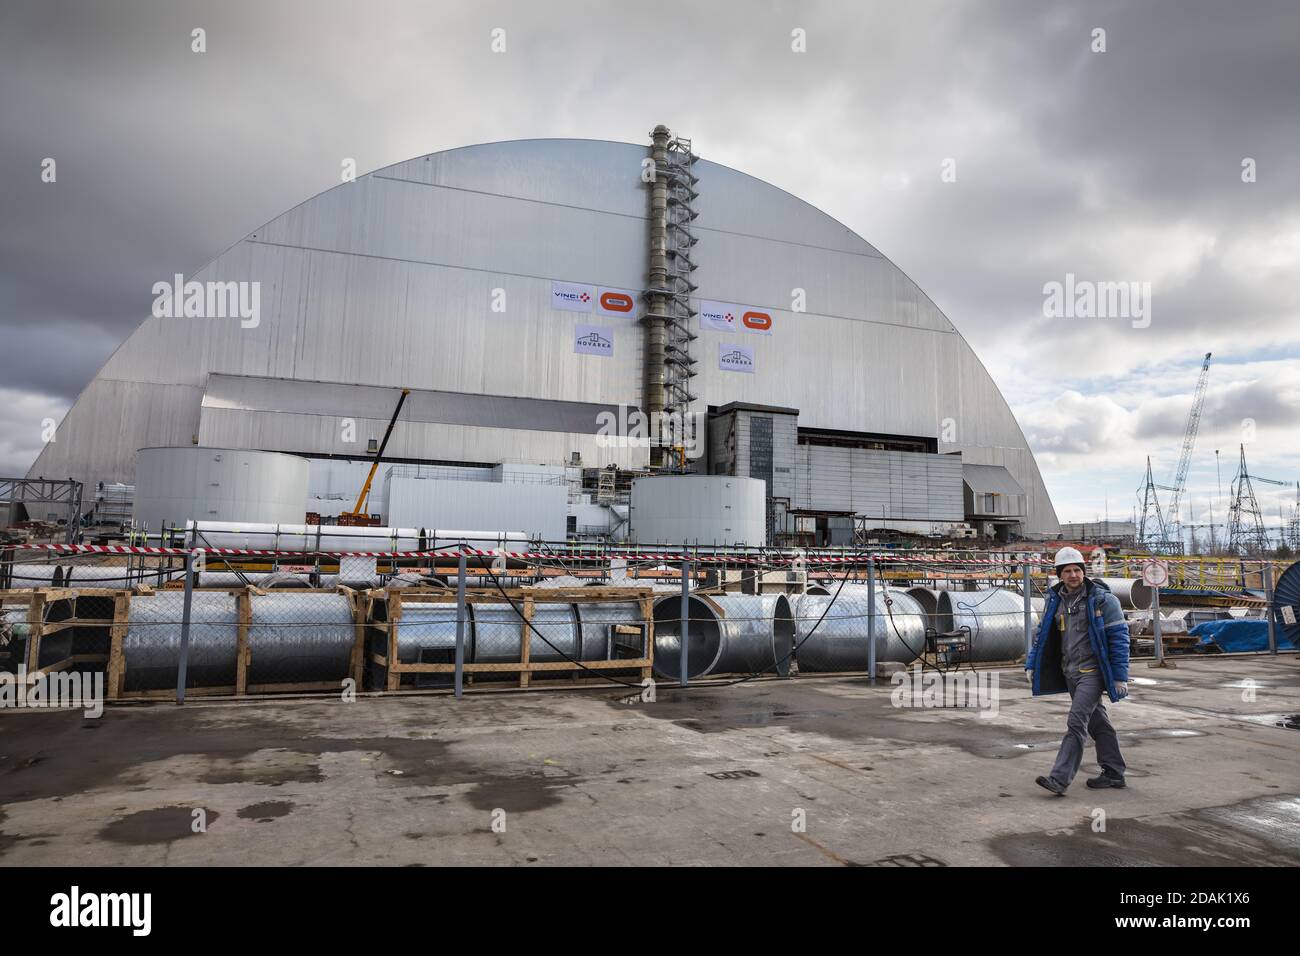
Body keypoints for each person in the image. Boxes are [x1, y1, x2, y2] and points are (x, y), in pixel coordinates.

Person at [1024, 546, 1130, 795]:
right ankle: (1114, 772)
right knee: (1098, 723)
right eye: (1068, 571)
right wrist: (1031, 663)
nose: (1073, 575)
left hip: (1092, 672)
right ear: (1059, 574)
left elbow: (1119, 637)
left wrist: (1119, 676)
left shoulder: (1103, 600)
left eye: (1077, 570)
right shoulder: (1055, 600)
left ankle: (1059, 779)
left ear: (1084, 572)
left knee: (1076, 722)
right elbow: (1041, 636)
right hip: (1070, 672)